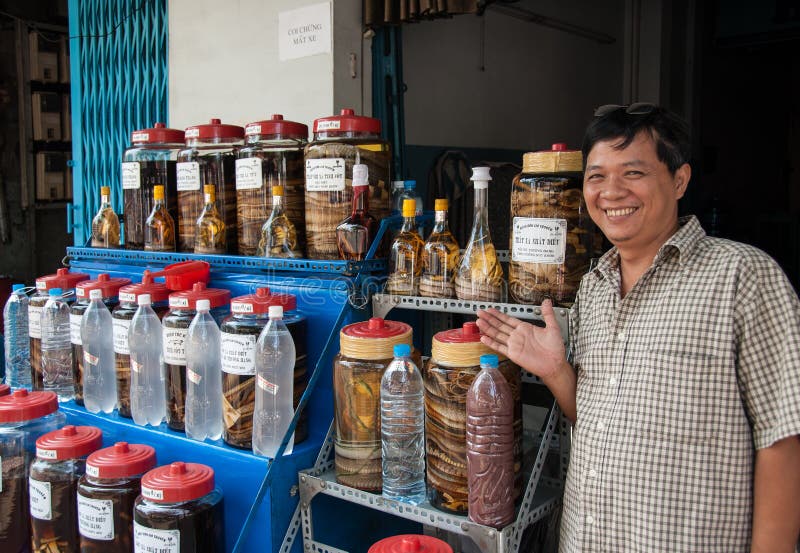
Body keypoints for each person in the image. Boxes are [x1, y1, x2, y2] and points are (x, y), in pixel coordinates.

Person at [477, 104, 800, 552]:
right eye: (596, 176)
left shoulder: (742, 278)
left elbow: (782, 438)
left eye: (633, 173)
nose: (611, 192)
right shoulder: (592, 288)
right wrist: (556, 372)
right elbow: (596, 420)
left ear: (680, 180)